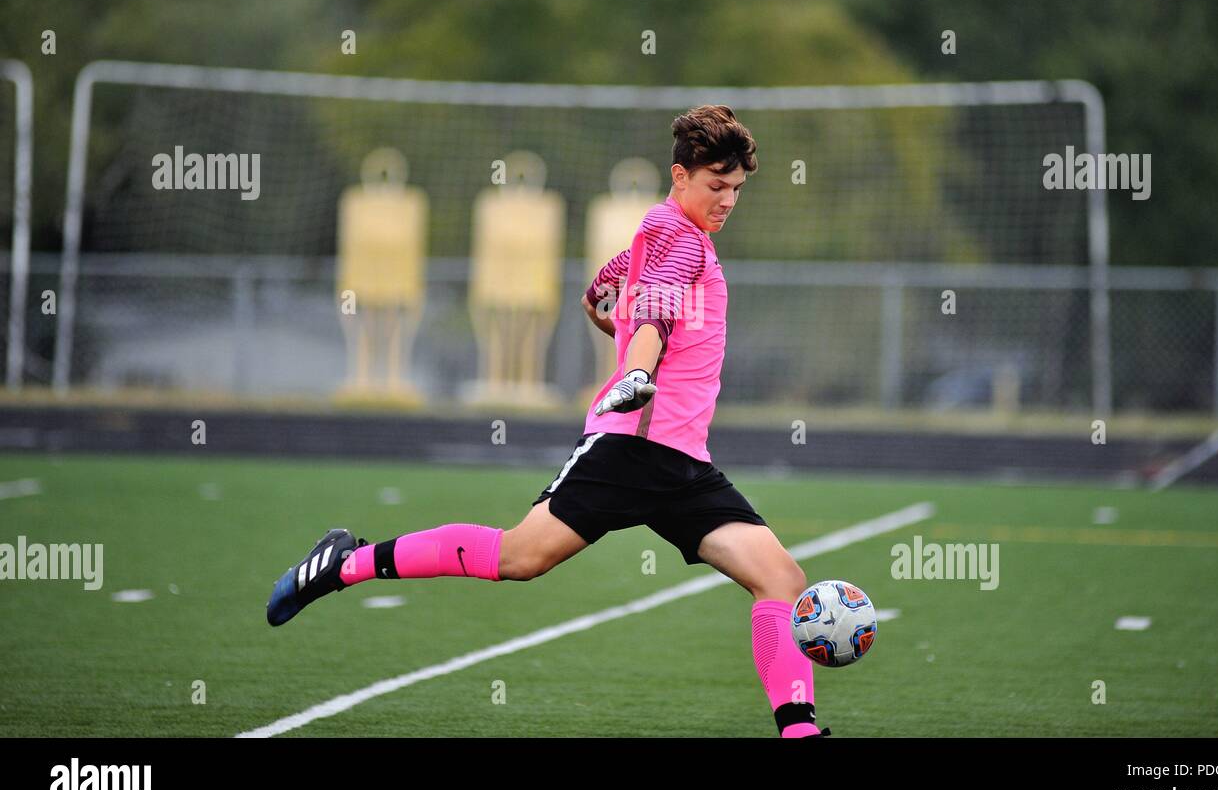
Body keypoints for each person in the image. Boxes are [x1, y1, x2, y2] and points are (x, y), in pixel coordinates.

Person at [266, 105, 827, 738]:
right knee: (518, 557)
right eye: (715, 186)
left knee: (780, 577)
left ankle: (800, 732)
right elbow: (657, 309)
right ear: (680, 176)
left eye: (736, 190)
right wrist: (639, 371)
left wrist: (611, 319)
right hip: (629, 449)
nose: (727, 200)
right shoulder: (681, 239)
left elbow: (602, 290)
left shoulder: (660, 229)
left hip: (681, 462)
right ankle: (345, 562)